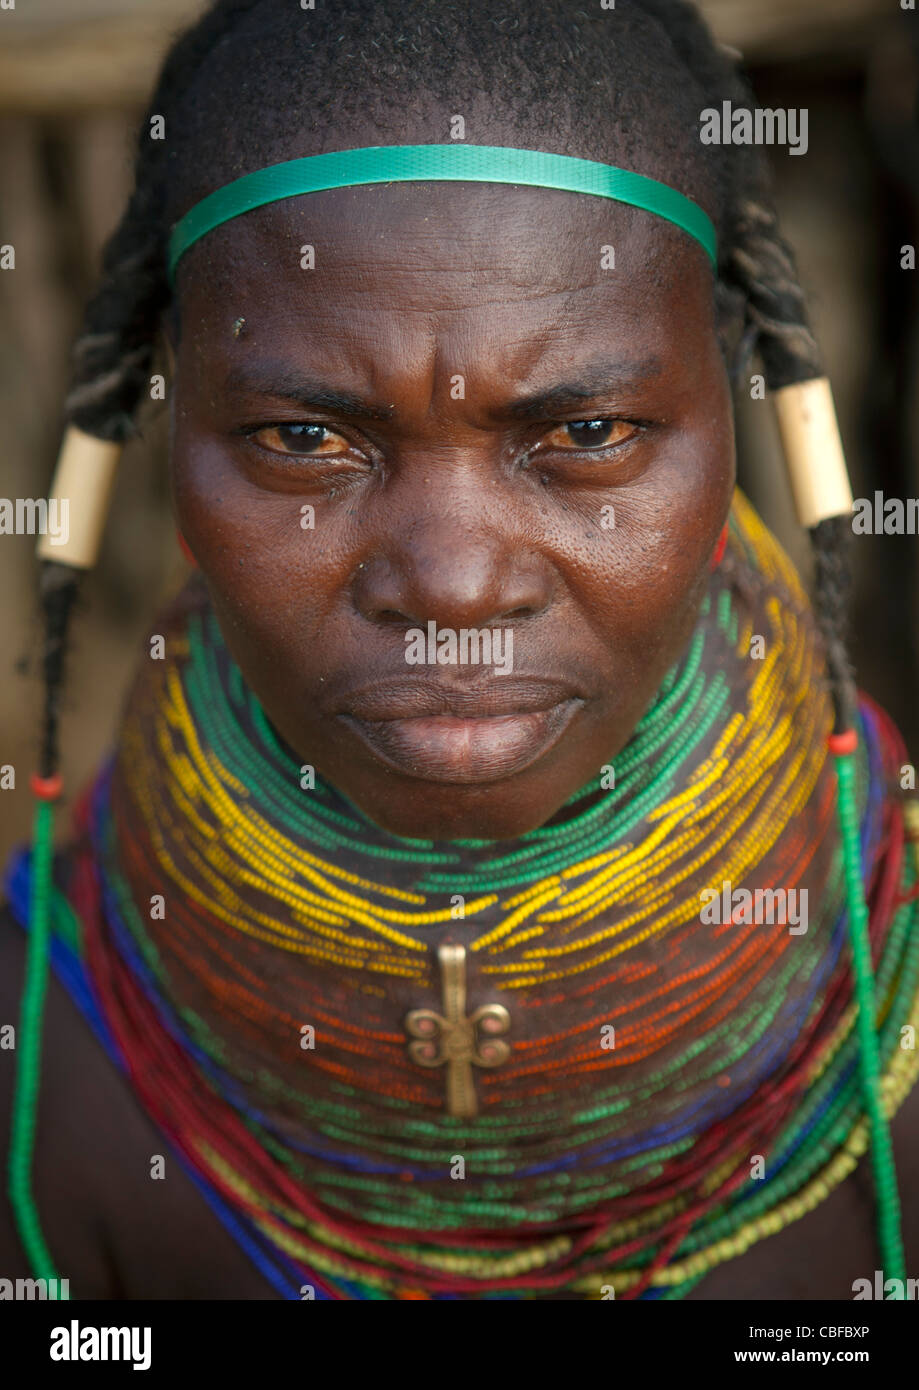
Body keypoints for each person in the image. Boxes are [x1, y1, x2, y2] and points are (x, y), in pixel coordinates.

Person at [1, 0, 917, 1301]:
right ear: (166, 405)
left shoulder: (895, 1013)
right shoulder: (47, 1057)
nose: (450, 581)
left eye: (589, 430)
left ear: (726, 385)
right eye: (305, 440)